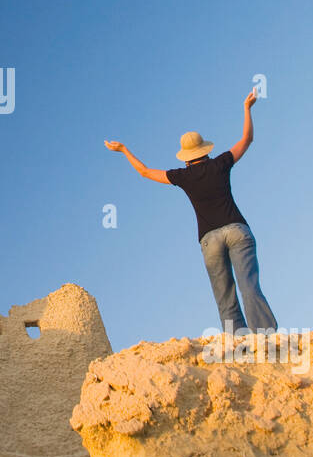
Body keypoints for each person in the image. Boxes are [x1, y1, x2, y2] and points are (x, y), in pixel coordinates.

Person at [105, 90, 277, 334]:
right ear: (205, 151)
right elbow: (246, 139)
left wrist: (123, 150)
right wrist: (247, 109)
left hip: (209, 240)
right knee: (249, 286)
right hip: (237, 229)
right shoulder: (221, 163)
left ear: (186, 159)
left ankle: (239, 345)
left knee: (224, 297)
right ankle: (267, 337)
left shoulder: (183, 176)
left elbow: (144, 171)